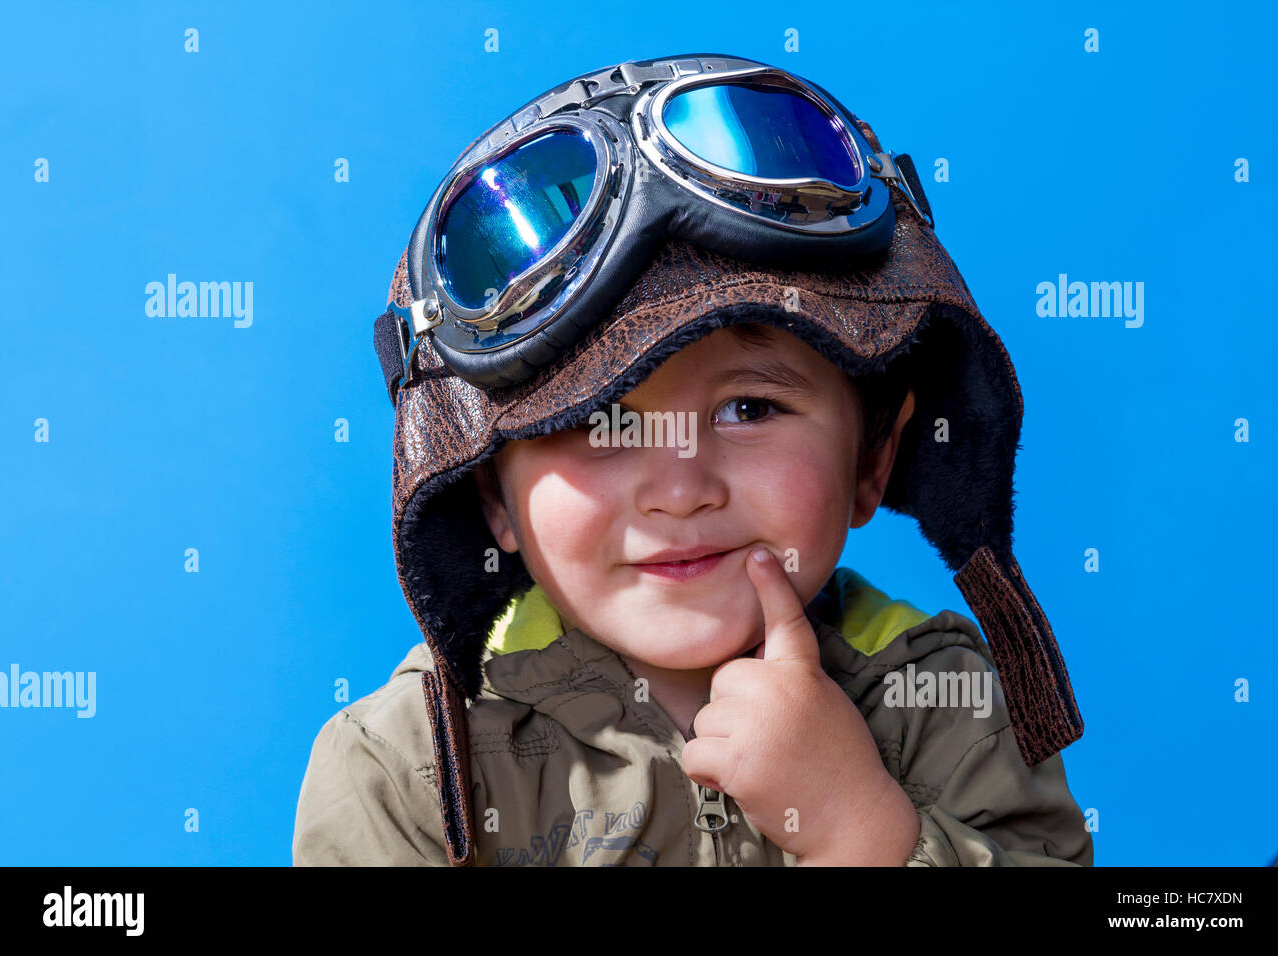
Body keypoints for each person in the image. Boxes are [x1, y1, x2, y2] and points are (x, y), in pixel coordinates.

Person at [292, 53, 1093, 866]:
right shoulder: (406, 770)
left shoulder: (945, 705)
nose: (680, 489)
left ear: (874, 456)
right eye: (600, 422)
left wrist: (861, 832)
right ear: (492, 495)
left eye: (750, 409)